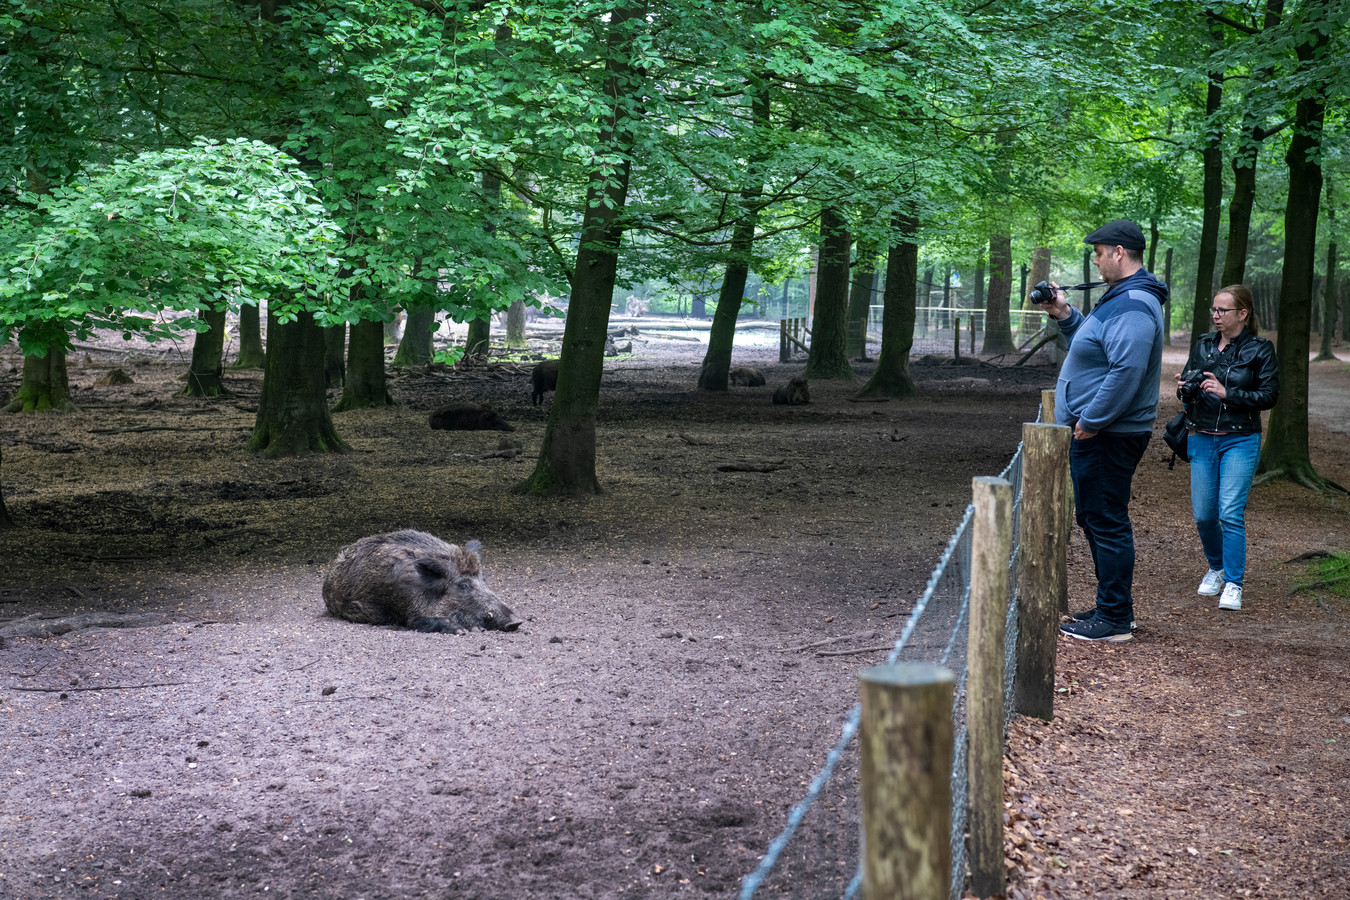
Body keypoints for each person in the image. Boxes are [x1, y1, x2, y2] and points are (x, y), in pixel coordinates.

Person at [1032, 219, 1169, 643]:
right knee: (1095, 518)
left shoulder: (1134, 303)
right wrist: (1065, 314)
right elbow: (1096, 347)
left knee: (1106, 521)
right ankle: (1112, 607)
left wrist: (1090, 421)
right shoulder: (1122, 298)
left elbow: (1126, 370)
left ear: (1119, 253)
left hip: (1109, 434)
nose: (1095, 261)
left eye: (1098, 253)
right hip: (1103, 432)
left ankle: (1114, 619)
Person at [1175, 285, 1279, 612]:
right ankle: (1216, 568)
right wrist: (1185, 387)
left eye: (1223, 310)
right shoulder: (1203, 344)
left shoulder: (1261, 349)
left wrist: (1227, 393)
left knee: (1229, 512)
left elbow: (1269, 396)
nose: (1216, 316)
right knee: (1204, 515)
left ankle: (1234, 583)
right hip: (1201, 435)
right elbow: (1188, 388)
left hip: (1240, 438)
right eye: (1214, 310)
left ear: (1243, 314)